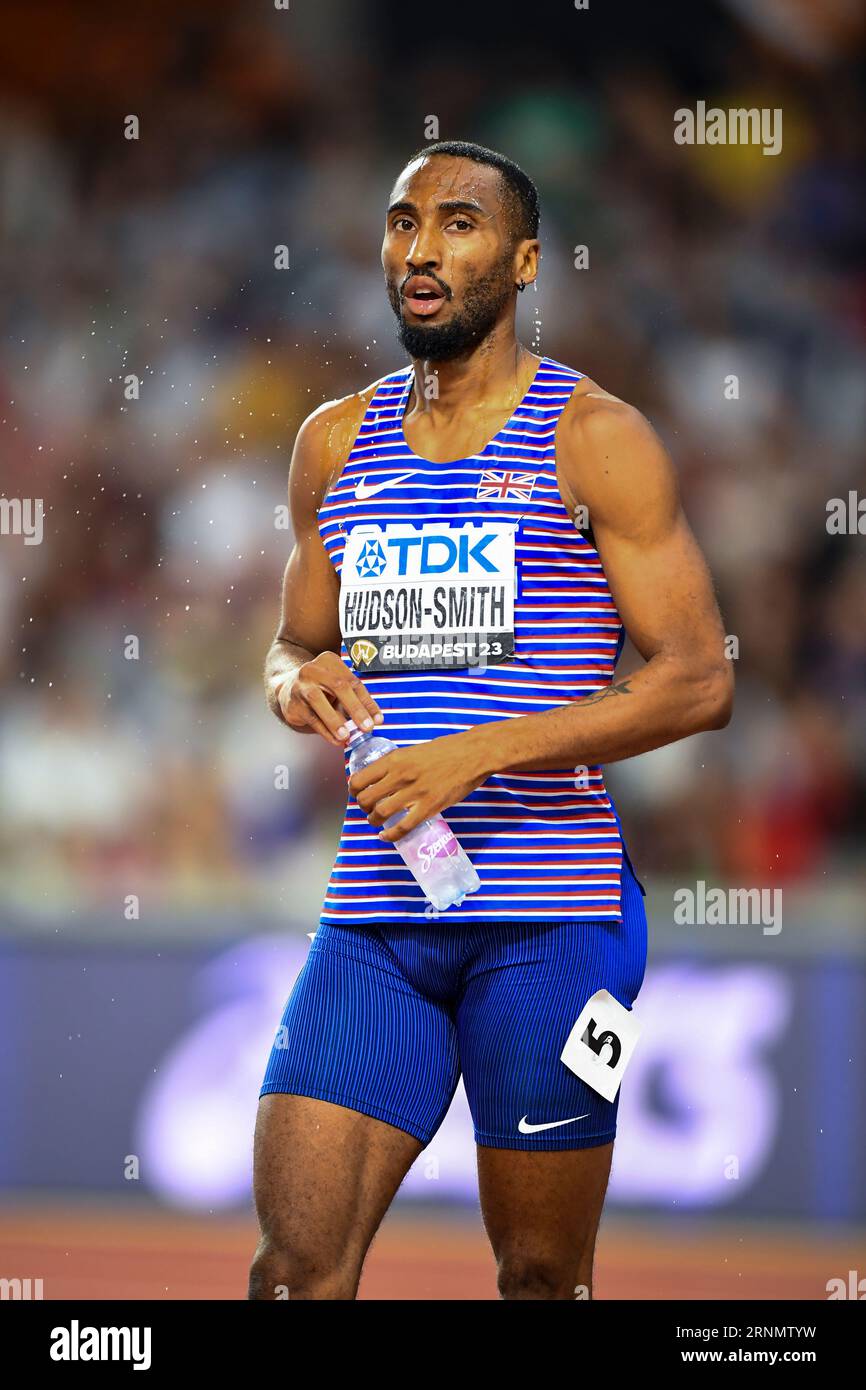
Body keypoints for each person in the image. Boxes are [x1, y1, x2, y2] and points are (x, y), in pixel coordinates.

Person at [249, 141, 733, 1301]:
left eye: (456, 224)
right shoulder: (331, 442)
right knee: (292, 1272)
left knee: (538, 1279)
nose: (419, 248)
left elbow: (697, 679)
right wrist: (288, 682)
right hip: (376, 917)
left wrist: (478, 751)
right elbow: (293, 639)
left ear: (522, 263)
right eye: (400, 221)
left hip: (552, 922)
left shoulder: (594, 436)